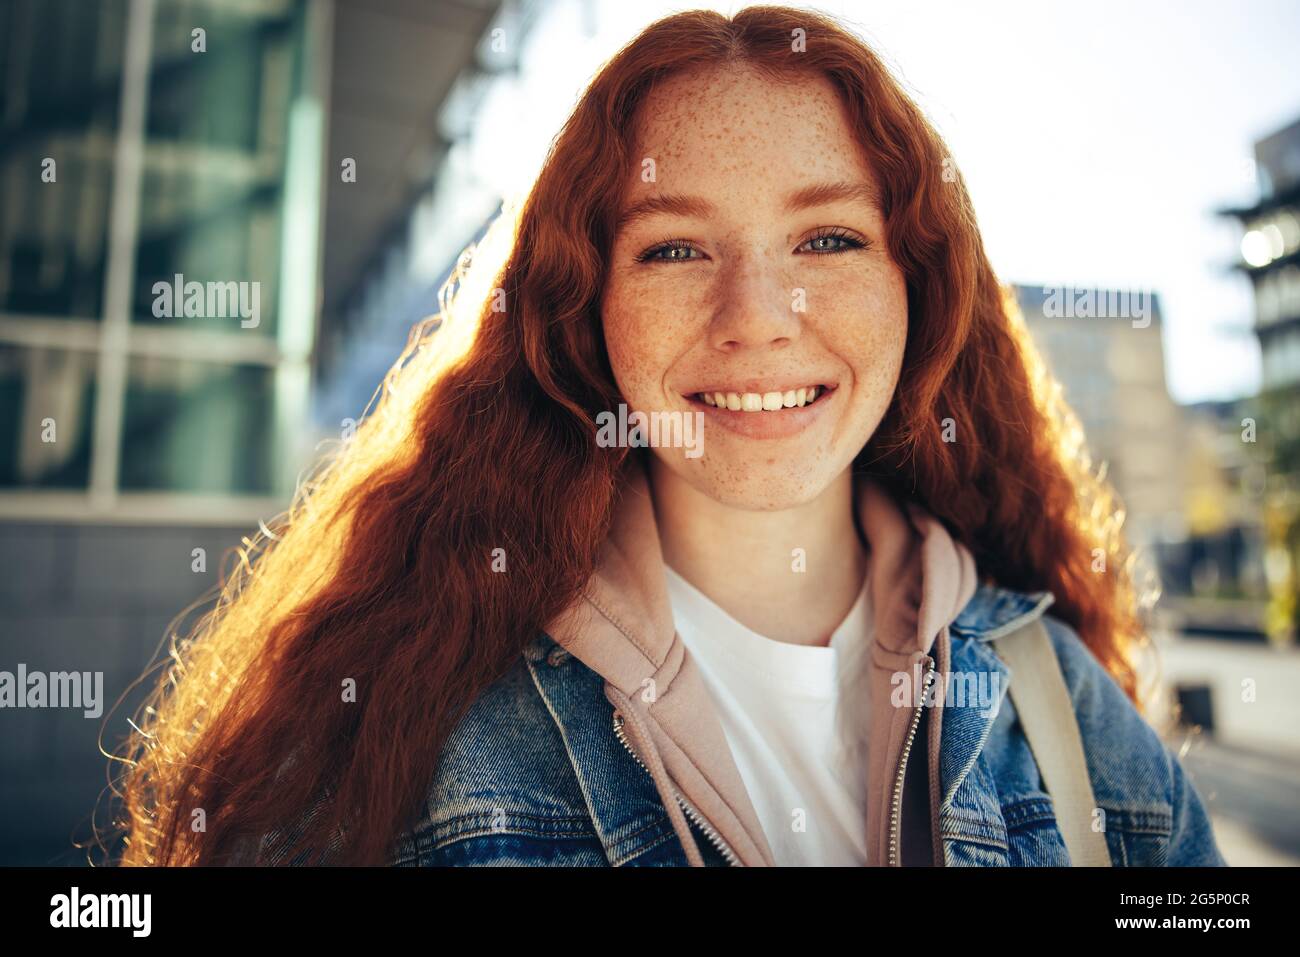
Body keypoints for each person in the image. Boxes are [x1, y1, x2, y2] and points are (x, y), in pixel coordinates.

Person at [111, 5, 1224, 867]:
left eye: (828, 239)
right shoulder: (404, 709)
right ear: (582, 307)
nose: (754, 318)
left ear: (917, 290)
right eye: (673, 250)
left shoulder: (1062, 705)